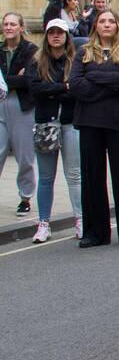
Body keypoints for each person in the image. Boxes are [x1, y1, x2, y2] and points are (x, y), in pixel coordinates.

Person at [69, 9, 119, 249]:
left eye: (111, 21)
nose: (107, 25)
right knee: (92, 178)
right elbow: (76, 86)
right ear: (95, 26)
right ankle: (95, 232)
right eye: (102, 21)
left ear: (117, 26)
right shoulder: (83, 53)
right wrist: (112, 80)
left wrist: (94, 76)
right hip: (90, 122)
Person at [27, 20, 83, 241]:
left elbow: (78, 89)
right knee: (46, 177)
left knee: (74, 175)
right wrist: (62, 87)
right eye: (52, 32)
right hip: (45, 123)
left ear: (67, 35)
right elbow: (35, 89)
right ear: (47, 36)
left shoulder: (75, 60)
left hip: (70, 122)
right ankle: (43, 223)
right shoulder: (36, 61)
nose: (56, 36)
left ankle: (80, 219)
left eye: (60, 32)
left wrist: (54, 90)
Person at [0, 12, 38, 215]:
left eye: (13, 24)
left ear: (21, 28)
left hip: (22, 106)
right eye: (6, 24)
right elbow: (19, 79)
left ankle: (25, 197)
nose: (8, 27)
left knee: (25, 156)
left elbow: (29, 80)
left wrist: (6, 79)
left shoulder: (30, 50)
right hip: (0, 104)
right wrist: (15, 77)